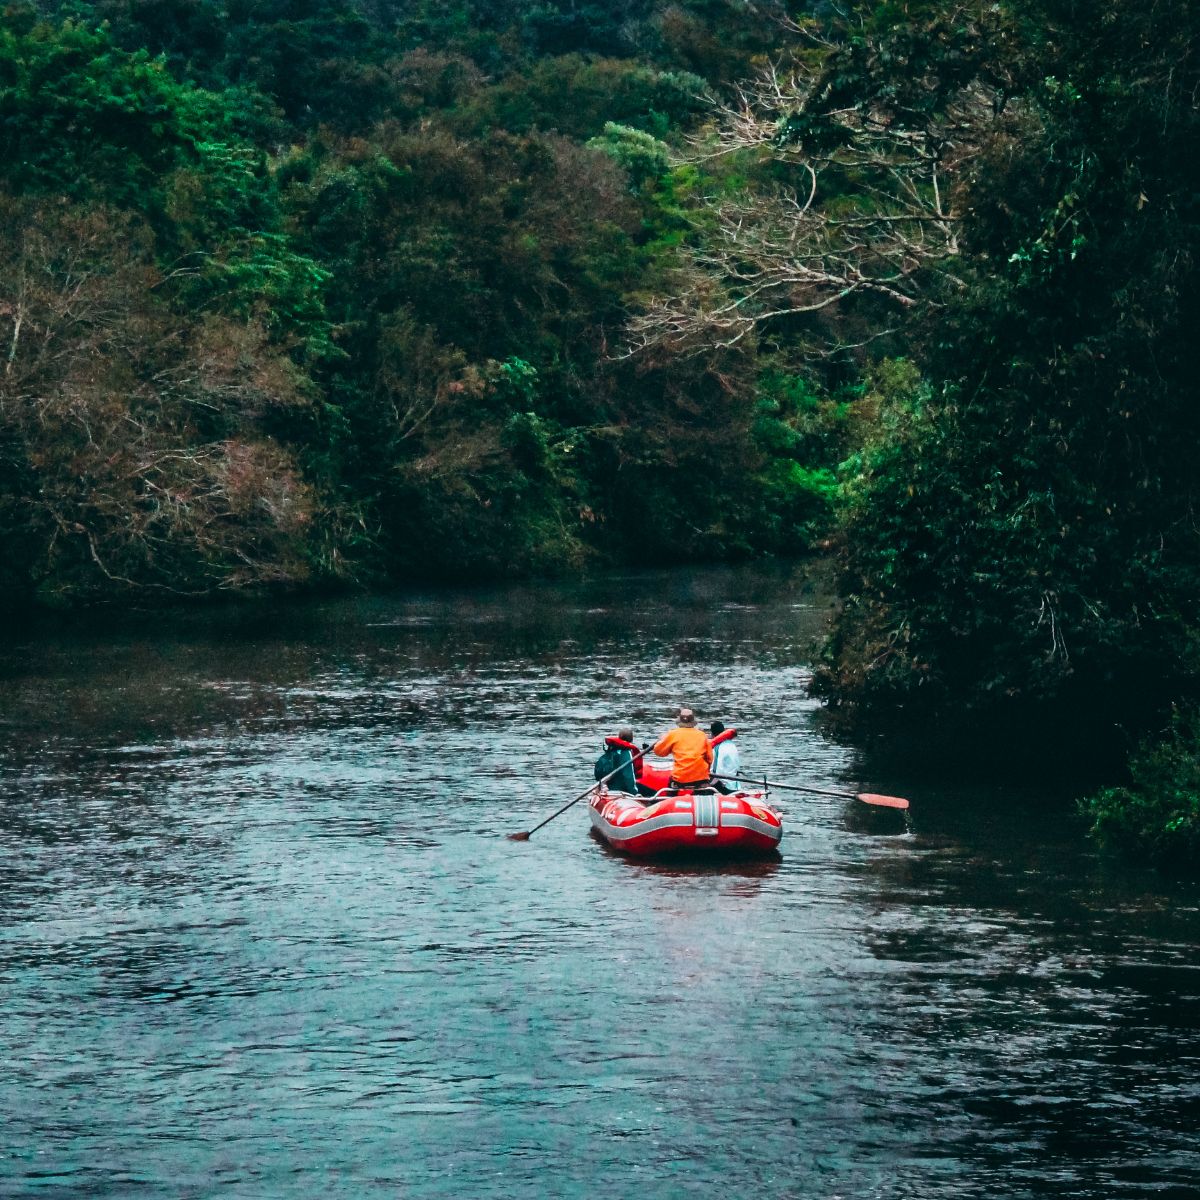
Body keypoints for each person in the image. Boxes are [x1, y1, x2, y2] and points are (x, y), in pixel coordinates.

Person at [653, 706, 713, 792]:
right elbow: (710, 759)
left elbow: (659, 752)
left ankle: (670, 797)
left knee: (671, 785)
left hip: (680, 778)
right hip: (700, 778)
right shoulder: (702, 735)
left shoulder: (672, 734)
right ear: (693, 721)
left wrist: (662, 740)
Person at [594, 727, 640, 794]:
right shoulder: (626, 752)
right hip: (620, 791)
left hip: (608, 788)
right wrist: (634, 792)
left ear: (619, 737)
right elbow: (628, 775)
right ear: (631, 740)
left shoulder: (612, 750)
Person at [709, 721, 740, 794]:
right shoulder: (732, 744)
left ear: (712, 734)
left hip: (725, 787)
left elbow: (716, 772)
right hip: (735, 785)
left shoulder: (717, 747)